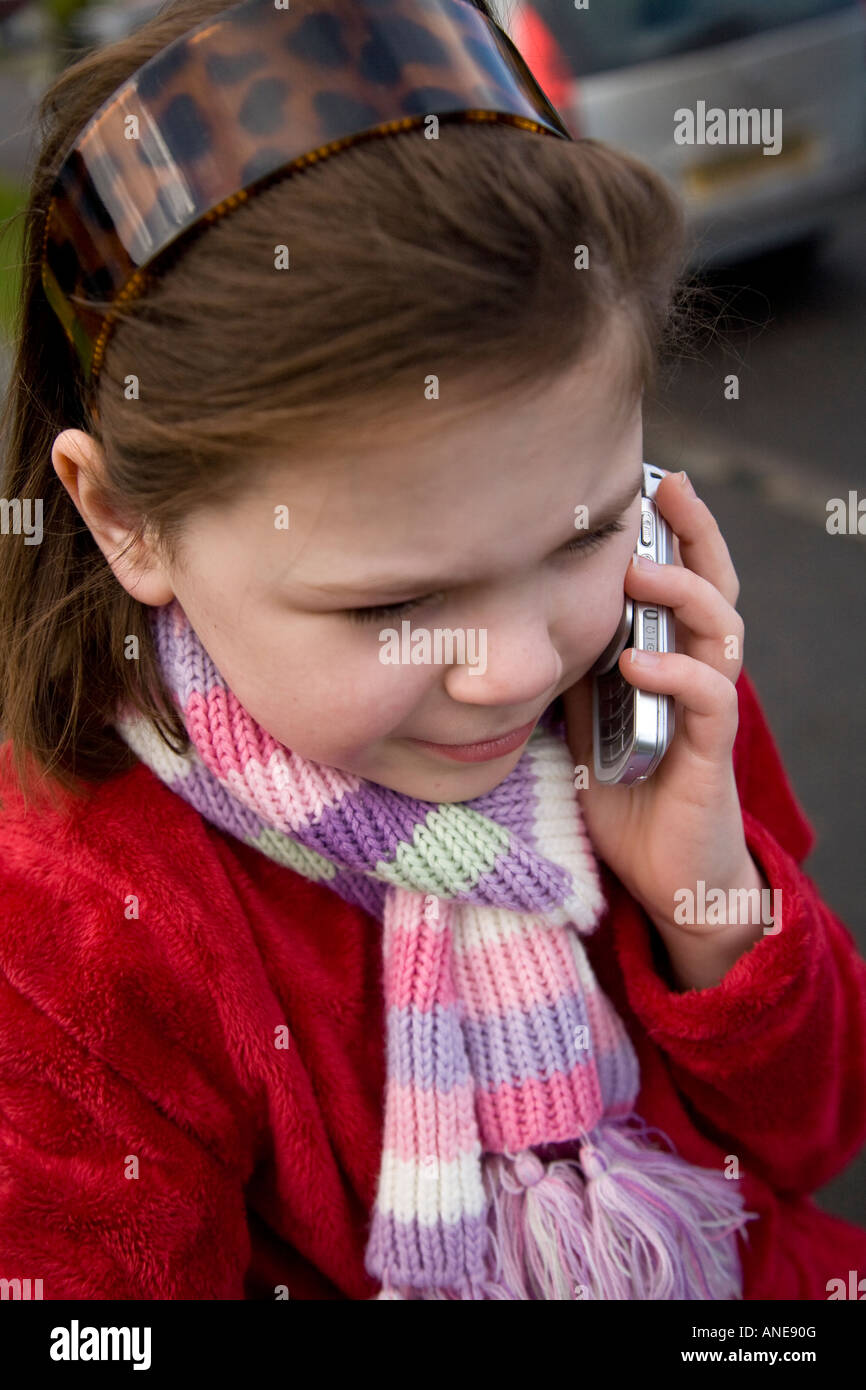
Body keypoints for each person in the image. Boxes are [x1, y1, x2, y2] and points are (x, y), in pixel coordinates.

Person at [0, 0, 864, 1301]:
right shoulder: (75, 927)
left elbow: (811, 1135)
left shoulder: (641, 702)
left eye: (583, 534)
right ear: (125, 518)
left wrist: (710, 900)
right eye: (391, 607)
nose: (516, 668)